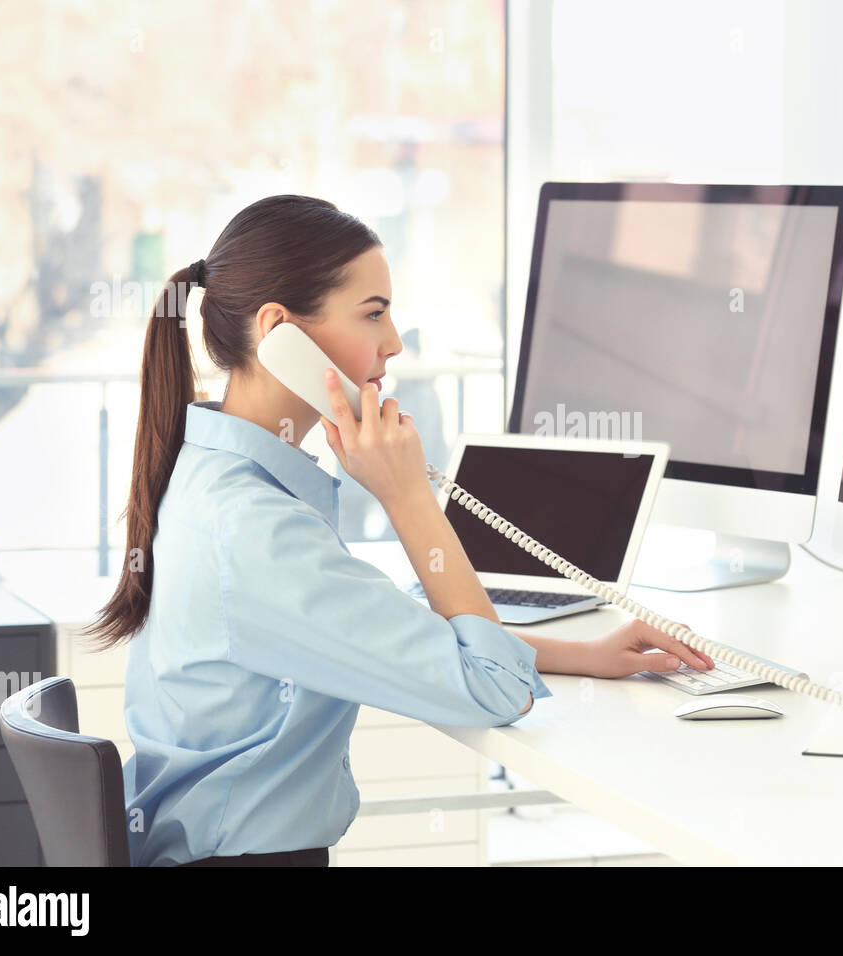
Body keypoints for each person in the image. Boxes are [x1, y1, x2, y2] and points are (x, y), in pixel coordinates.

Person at [81, 194, 713, 867]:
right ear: (279, 335)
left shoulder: (214, 478)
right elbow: (494, 691)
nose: (395, 342)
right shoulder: (255, 530)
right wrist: (408, 496)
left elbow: (378, 623)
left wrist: (584, 654)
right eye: (373, 314)